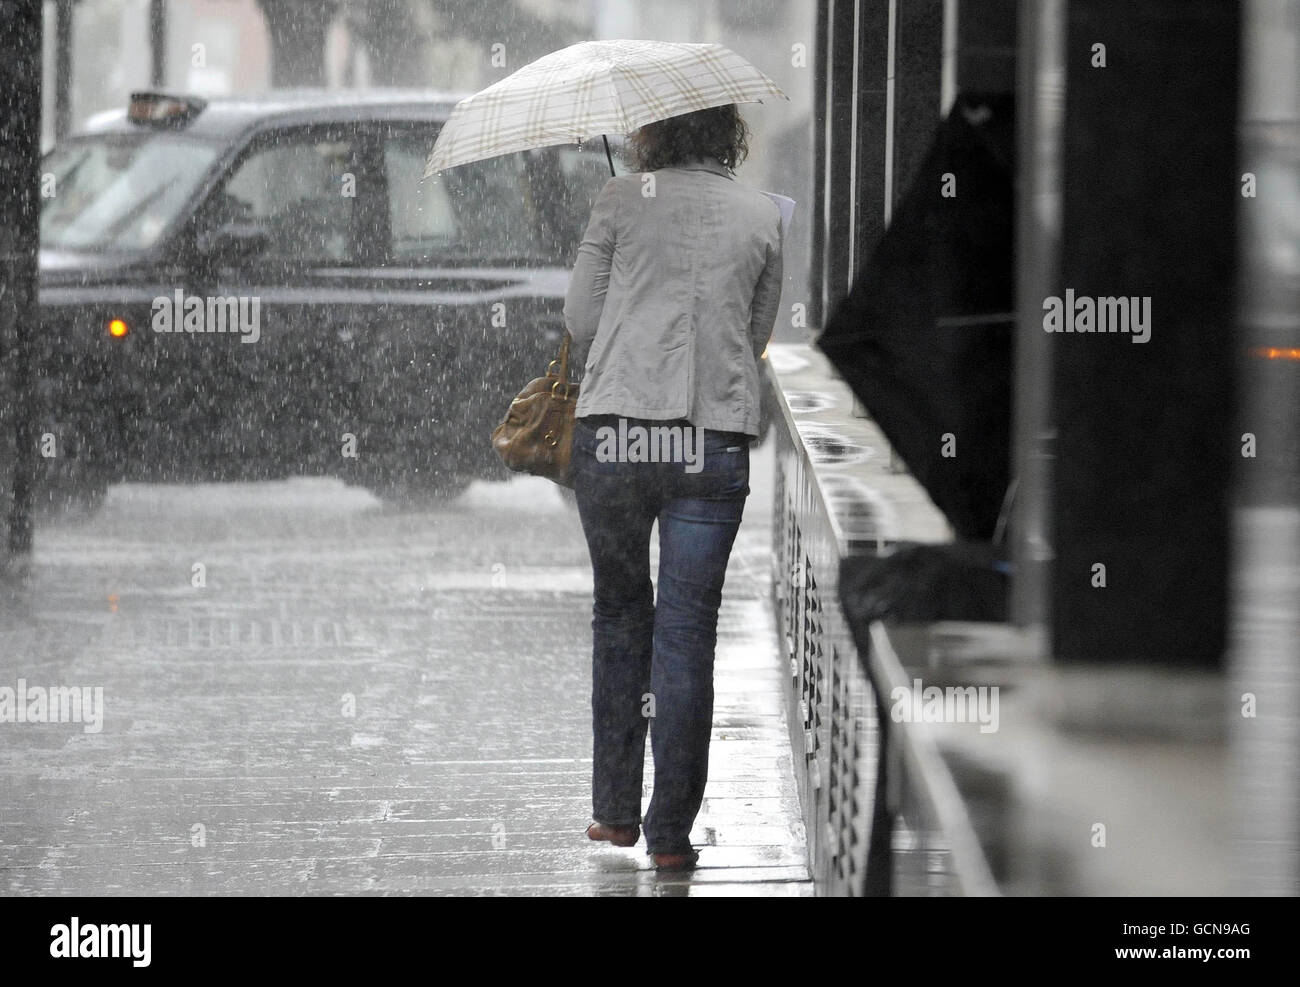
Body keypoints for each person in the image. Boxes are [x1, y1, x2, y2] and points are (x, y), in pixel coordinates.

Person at [563, 104, 783, 870]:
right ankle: (667, 836)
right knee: (687, 632)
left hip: (618, 433)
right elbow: (755, 337)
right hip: (710, 438)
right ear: (727, 134)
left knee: (622, 614)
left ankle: (616, 812)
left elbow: (581, 320)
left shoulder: (619, 199)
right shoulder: (763, 216)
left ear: (652, 133)